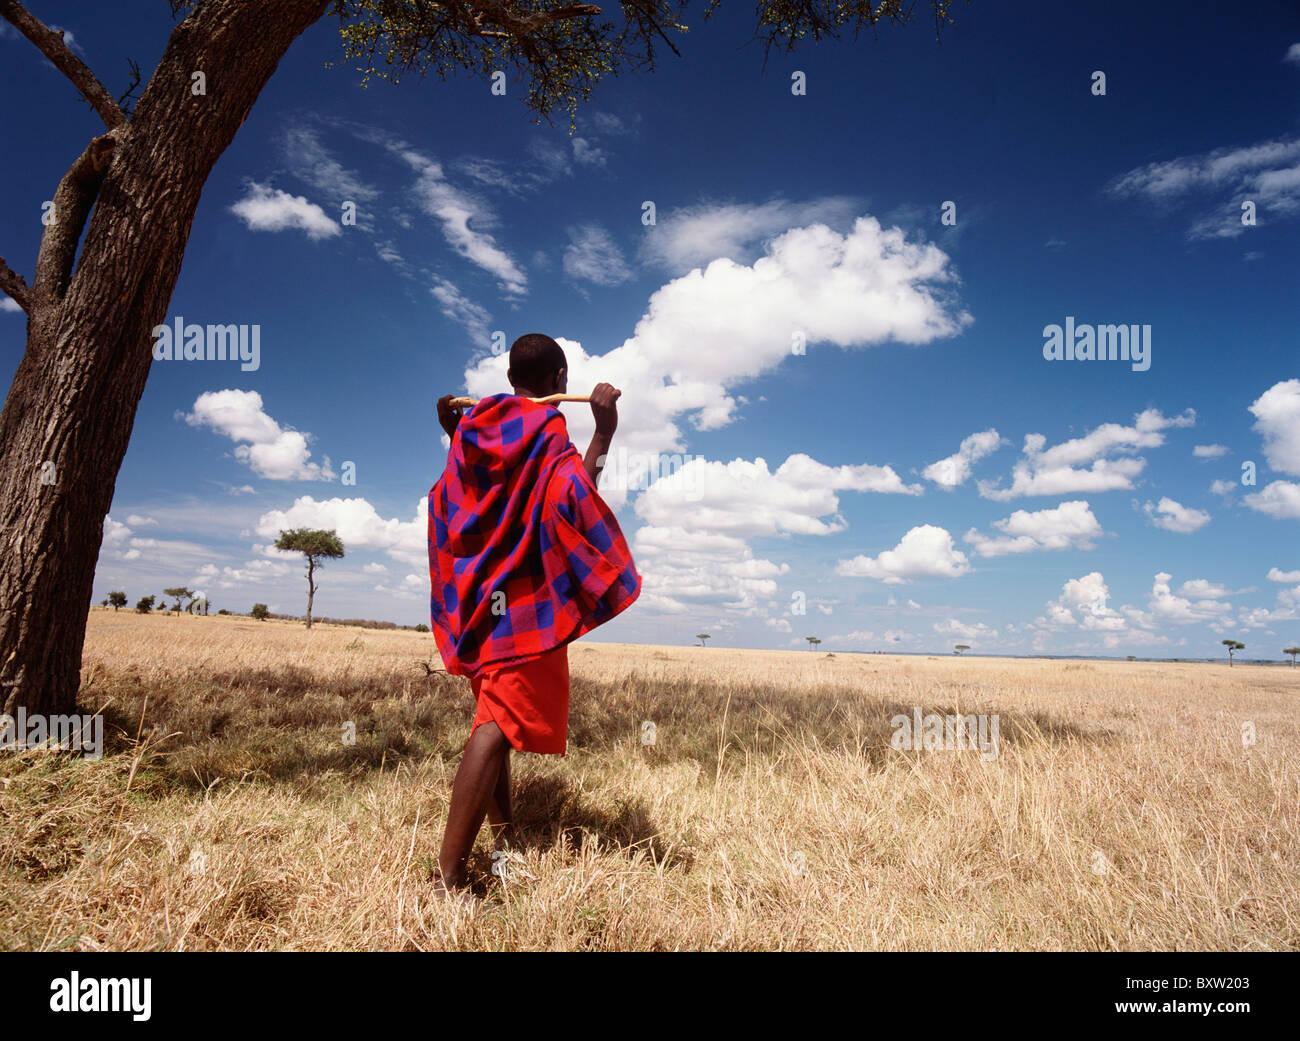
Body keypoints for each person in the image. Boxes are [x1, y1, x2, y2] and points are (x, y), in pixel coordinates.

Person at [428, 333, 640, 898]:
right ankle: (448, 878)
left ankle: (505, 836)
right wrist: (604, 430)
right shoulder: (547, 435)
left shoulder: (476, 432)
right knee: (498, 726)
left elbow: (465, 499)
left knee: (492, 717)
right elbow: (578, 491)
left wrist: (451, 430)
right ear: (558, 380)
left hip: (479, 600)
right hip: (523, 606)